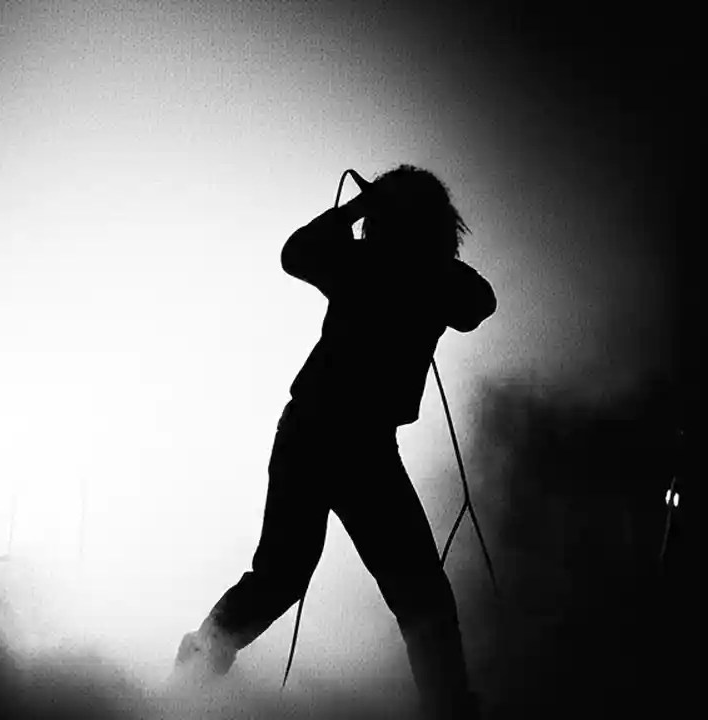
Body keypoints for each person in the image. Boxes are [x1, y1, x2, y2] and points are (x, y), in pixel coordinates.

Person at [172, 165, 497, 719]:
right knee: (403, 590)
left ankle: (194, 667)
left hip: (338, 438)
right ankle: (449, 709)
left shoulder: (385, 267)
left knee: (296, 580)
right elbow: (297, 254)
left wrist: (359, 214)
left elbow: (477, 303)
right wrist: (367, 221)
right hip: (333, 436)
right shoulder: (388, 268)